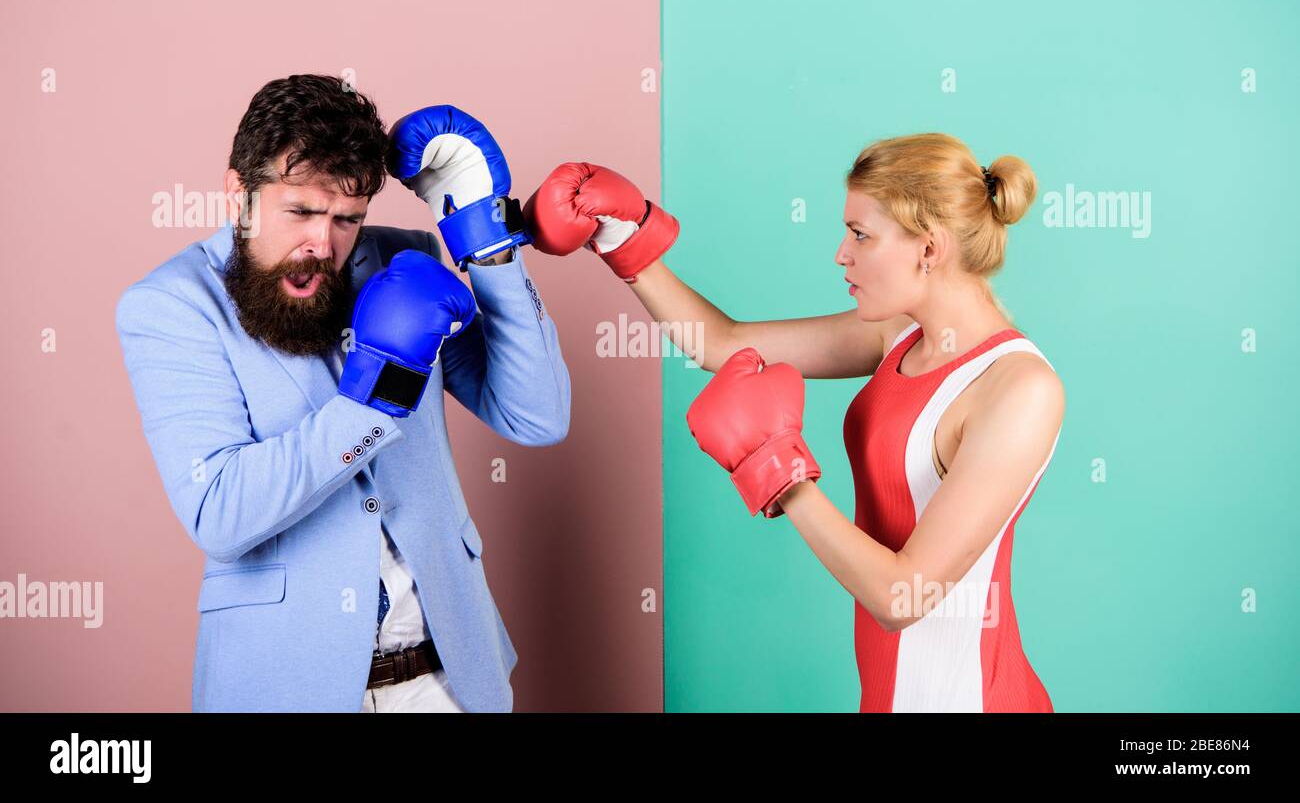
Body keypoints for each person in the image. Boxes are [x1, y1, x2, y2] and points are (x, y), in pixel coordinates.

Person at [524, 134, 1062, 712]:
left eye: (861, 235)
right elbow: (720, 343)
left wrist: (782, 473)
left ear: (928, 249)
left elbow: (903, 596)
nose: (841, 253)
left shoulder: (1018, 390)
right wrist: (622, 241)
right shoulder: (897, 335)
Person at [116, 75, 570, 712]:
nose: (322, 244)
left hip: (449, 682)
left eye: (347, 219)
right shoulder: (171, 306)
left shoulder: (402, 261)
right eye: (300, 212)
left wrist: (487, 242)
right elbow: (219, 512)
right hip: (288, 690)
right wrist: (374, 397)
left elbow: (536, 415)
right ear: (238, 195)